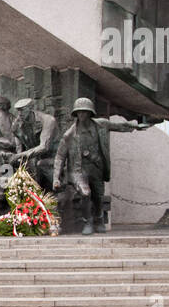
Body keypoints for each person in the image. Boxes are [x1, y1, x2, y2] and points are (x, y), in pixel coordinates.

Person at [53, 97, 146, 235]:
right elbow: (60, 156)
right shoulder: (70, 135)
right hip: (78, 171)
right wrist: (56, 177)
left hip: (96, 167)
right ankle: (87, 221)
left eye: (85, 112)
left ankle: (99, 219)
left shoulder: (101, 125)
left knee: (98, 196)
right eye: (79, 112)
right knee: (85, 193)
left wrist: (136, 126)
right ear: (76, 114)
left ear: (90, 113)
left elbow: (119, 126)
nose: (82, 115)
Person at [10, 98, 60, 191]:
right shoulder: (17, 124)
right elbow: (18, 143)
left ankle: (57, 190)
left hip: (54, 158)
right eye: (18, 111)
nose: (20, 114)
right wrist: (19, 159)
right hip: (33, 158)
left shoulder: (48, 120)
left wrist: (19, 155)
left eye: (22, 110)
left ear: (30, 108)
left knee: (41, 165)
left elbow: (44, 147)